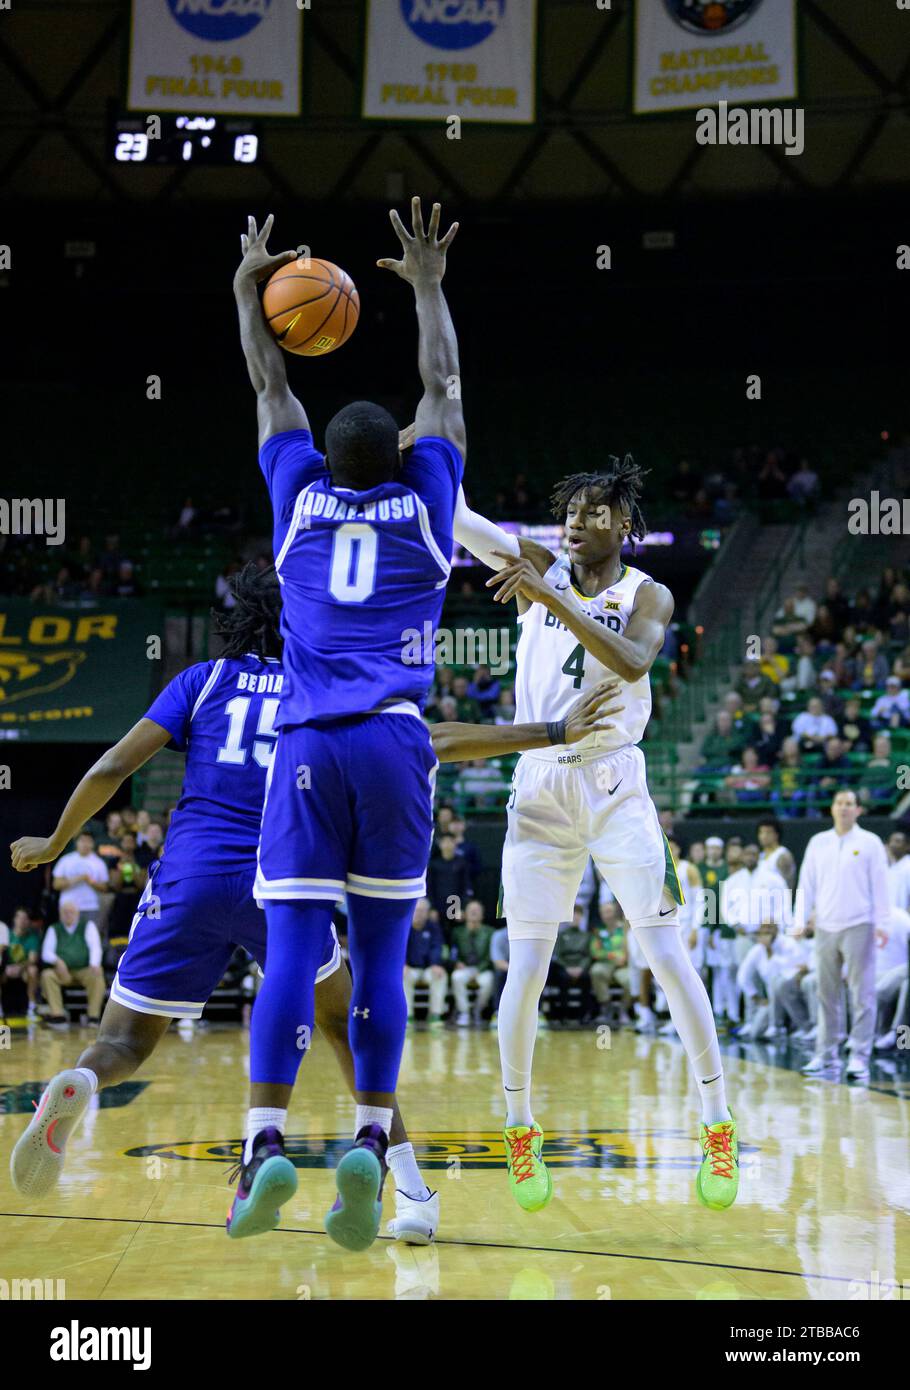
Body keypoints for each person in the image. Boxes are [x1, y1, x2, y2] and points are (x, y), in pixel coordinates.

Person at [452, 458, 738, 1213]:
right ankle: (519, 1127)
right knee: (527, 966)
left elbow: (635, 659)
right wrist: (419, 457)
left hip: (614, 783)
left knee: (667, 955)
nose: (577, 523)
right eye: (570, 512)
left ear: (624, 525)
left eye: (594, 513)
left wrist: (549, 596)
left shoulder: (648, 593)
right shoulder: (536, 566)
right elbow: (462, 520)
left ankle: (717, 1123)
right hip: (541, 783)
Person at [795, 789, 890, 1082]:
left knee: (862, 993)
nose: (844, 808)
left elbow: (880, 885)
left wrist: (882, 923)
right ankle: (826, 1054)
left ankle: (860, 1056)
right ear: (832, 808)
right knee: (826, 994)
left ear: (858, 810)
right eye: (839, 803)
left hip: (859, 924)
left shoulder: (870, 843)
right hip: (825, 925)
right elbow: (806, 883)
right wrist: (801, 919)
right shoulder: (818, 843)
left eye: (850, 804)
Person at [39, 900, 105, 1027]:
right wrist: (57, 962)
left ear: (78, 914)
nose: (68, 915)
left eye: (71, 912)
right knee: (47, 975)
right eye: (65, 912)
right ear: (60, 914)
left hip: (84, 970)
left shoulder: (87, 926)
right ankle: (58, 1015)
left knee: (98, 974)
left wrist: (94, 964)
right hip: (63, 972)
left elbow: (95, 947)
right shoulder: (54, 929)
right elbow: (46, 952)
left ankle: (93, 1016)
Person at [450, 900, 495, 1026]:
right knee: (456, 977)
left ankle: (477, 1010)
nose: (474, 913)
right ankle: (464, 1012)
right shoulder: (457, 932)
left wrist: (479, 970)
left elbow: (491, 956)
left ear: (482, 915)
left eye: (477, 911)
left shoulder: (490, 932)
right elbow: (452, 952)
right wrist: (456, 962)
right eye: (471, 911)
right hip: (464, 968)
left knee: (487, 981)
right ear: (466, 914)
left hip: (482, 969)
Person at [402, 898, 447, 1025]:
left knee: (440, 975)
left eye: (422, 911)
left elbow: (437, 947)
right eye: (416, 910)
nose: (419, 913)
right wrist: (402, 964)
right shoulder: (403, 927)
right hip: (409, 968)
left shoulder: (433, 927)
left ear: (427, 913)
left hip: (428, 968)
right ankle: (407, 1016)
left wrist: (435, 964)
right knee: (402, 976)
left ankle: (435, 1015)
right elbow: (398, 948)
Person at [51, 830, 108, 924]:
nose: (85, 844)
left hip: (90, 906)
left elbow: (105, 887)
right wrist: (78, 878)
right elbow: (56, 884)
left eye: (88, 841)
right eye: (82, 841)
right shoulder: (66, 860)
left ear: (93, 844)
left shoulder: (99, 863)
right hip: (67, 906)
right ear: (76, 843)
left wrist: (90, 881)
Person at [1, 909, 41, 1021]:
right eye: (20, 918)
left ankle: (31, 1005)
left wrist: (20, 967)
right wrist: (5, 968)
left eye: (25, 918)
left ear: (28, 921)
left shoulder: (32, 937)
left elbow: (32, 959)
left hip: (23, 969)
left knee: (33, 970)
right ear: (14, 919)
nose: (22, 921)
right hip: (6, 968)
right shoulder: (6, 934)